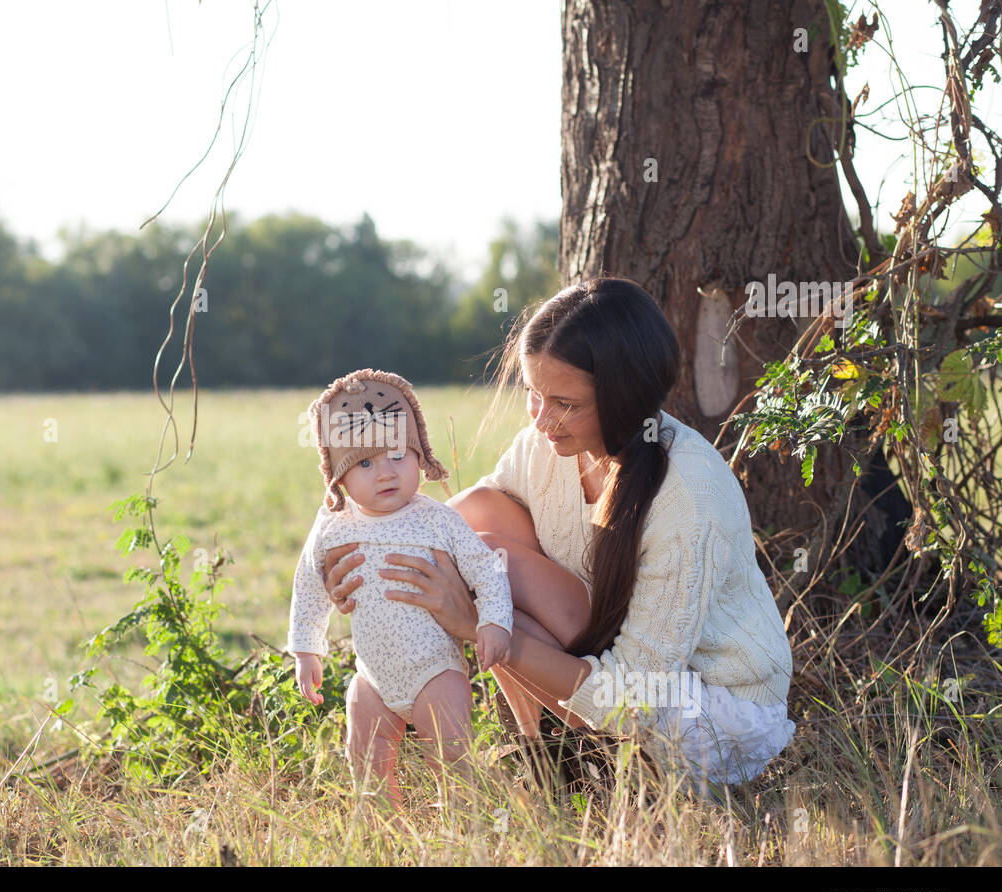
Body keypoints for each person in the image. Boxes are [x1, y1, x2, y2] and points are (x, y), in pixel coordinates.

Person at [320, 278, 796, 792]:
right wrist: (368, 559)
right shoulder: (545, 447)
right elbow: (460, 523)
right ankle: (548, 760)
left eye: (565, 403)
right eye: (532, 393)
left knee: (492, 565)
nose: (542, 419)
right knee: (469, 543)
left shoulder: (688, 494)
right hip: (612, 671)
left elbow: (632, 700)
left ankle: (577, 765)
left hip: (710, 711)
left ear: (623, 399)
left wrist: (474, 624)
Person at [287, 369, 513, 815]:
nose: (385, 473)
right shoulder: (334, 524)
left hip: (435, 671)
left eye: (396, 455)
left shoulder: (437, 519)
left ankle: (466, 833)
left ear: (419, 455)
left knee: (451, 758)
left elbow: (488, 570)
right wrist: (306, 650)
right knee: (365, 763)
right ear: (339, 476)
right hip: (371, 675)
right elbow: (309, 584)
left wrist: (494, 621)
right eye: (365, 464)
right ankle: (382, 833)